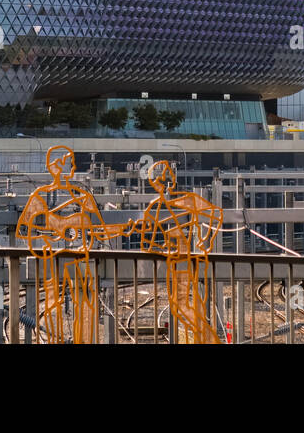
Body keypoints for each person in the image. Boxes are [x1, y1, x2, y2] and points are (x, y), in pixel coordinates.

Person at [15, 146, 121, 343]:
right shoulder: (40, 197)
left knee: (86, 310)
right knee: (51, 308)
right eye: (69, 162)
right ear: (55, 166)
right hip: (52, 263)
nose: (72, 167)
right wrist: (54, 232)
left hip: (81, 264)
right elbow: (23, 231)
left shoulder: (82, 196)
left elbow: (101, 230)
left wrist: (125, 229)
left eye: (72, 163)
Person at [123, 160, 223, 343]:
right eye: (158, 179)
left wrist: (201, 240)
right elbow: (146, 243)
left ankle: (208, 338)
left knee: (185, 306)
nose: (161, 182)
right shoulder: (158, 206)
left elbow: (216, 213)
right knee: (183, 305)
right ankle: (206, 337)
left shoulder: (185, 200)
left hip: (183, 258)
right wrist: (165, 246)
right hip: (176, 259)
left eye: (163, 178)